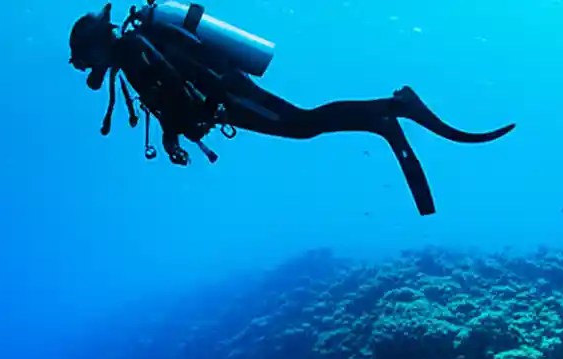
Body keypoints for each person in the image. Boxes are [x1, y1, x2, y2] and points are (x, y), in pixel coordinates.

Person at [67, 1, 515, 216]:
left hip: (227, 96)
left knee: (301, 124)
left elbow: (171, 87)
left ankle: (394, 107)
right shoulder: (134, 51)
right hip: (225, 99)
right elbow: (169, 94)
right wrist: (172, 133)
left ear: (95, 47)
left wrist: (177, 130)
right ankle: (380, 121)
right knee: (303, 124)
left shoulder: (135, 52)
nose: (89, 68)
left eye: (85, 59)